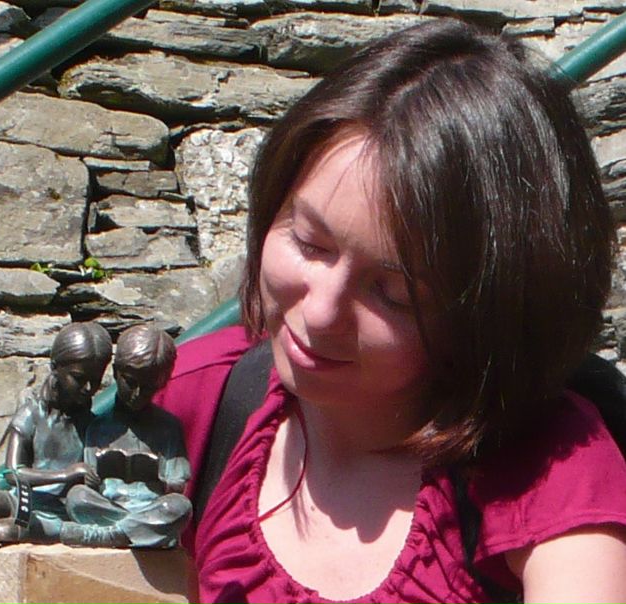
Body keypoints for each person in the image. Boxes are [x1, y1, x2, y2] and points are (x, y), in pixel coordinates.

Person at [151, 18, 626, 604]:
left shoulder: (552, 468)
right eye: (309, 243)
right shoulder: (194, 400)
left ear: (492, 313)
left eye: (393, 292)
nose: (320, 313)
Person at [0, 321, 112, 545]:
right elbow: (13, 472)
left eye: (96, 380)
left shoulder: (92, 425)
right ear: (55, 367)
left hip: (59, 511)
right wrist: (65, 474)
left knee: (0, 532)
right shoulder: (32, 414)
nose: (89, 388)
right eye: (78, 378)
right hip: (23, 499)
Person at [59, 324, 192, 548]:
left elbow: (178, 483)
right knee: (77, 497)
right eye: (130, 382)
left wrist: (165, 481)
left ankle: (111, 534)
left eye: (148, 388)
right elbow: (89, 484)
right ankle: (136, 533)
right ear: (115, 372)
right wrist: (91, 478)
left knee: (179, 507)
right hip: (109, 507)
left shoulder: (168, 428)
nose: (137, 394)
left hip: (151, 507)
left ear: (161, 384)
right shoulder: (97, 426)